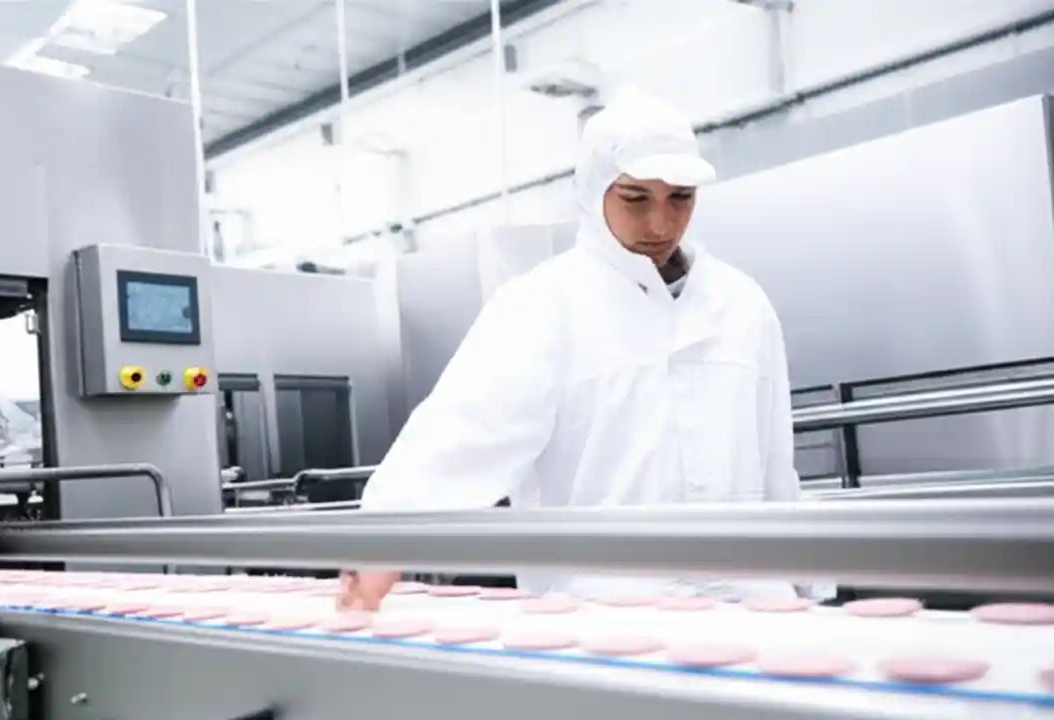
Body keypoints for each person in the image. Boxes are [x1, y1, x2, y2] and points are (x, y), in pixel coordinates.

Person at [339, 89, 804, 611]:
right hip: (602, 616)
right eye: (635, 198)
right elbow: (462, 433)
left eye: (681, 198)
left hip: (746, 607)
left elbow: (774, 463)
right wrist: (378, 545)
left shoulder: (742, 305)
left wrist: (806, 578)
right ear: (593, 190)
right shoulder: (544, 305)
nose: (661, 224)